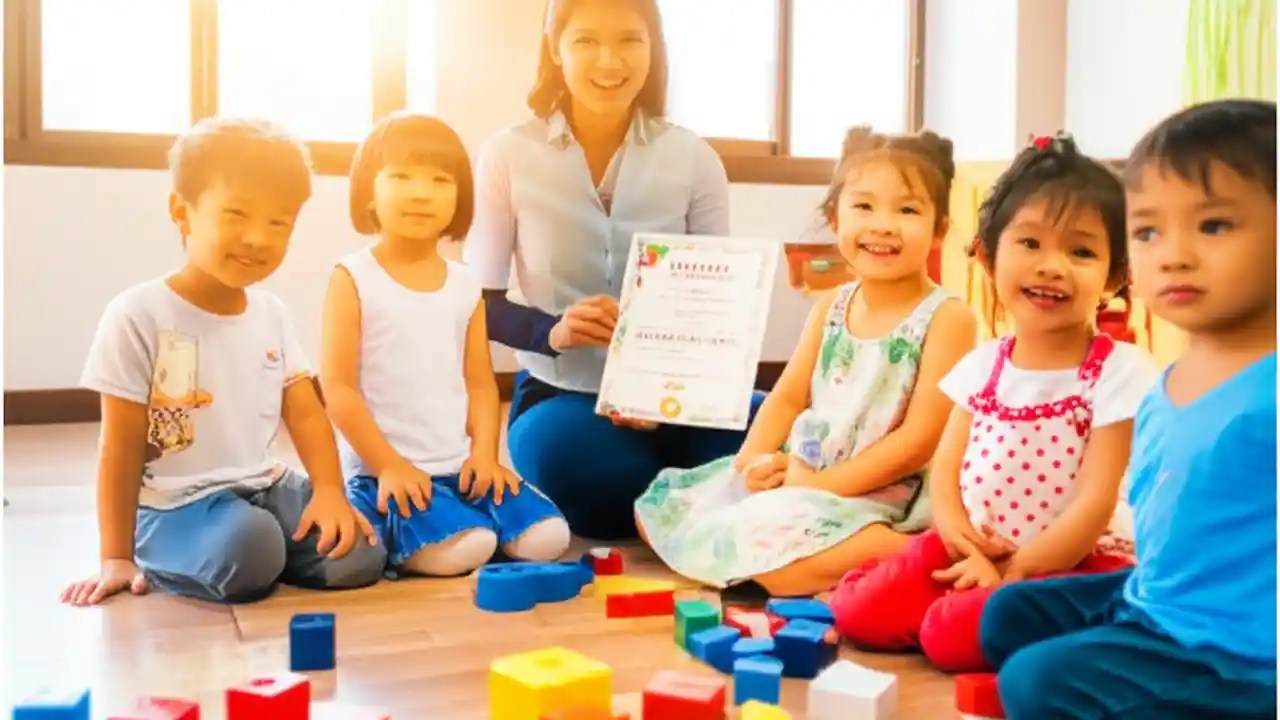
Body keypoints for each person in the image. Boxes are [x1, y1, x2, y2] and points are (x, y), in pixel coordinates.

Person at [980, 100, 1277, 718]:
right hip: (1155, 600)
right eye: (1147, 231)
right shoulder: (1169, 379)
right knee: (1007, 615)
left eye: (1214, 226)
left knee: (1034, 683)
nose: (1173, 254)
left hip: (1236, 654)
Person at [830, 132, 1159, 672]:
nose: (1051, 266)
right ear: (988, 255)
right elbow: (947, 471)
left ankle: (1067, 620)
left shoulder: (1118, 373)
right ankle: (952, 602)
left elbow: (1093, 505)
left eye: (1080, 251)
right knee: (859, 612)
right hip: (973, 548)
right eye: (1029, 244)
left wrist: (1015, 571)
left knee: (953, 636)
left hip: (1070, 561)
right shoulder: (984, 364)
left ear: (1115, 277)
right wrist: (961, 537)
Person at [635, 126, 977, 597]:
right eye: (864, 206)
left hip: (886, 492)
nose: (882, 224)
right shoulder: (832, 305)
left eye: (907, 209)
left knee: (779, 569)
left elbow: (918, 441)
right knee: (663, 509)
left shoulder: (948, 317)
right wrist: (751, 463)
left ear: (939, 227)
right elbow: (788, 396)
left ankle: (908, 549)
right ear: (835, 218)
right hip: (806, 470)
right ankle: (824, 549)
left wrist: (822, 487)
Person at [462, 0, 758, 540]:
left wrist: (671, 397)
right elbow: (476, 303)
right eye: (585, 41)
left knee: (779, 435)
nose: (609, 60)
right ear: (555, 49)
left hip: (682, 399)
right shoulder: (508, 154)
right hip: (562, 395)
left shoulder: (693, 158)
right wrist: (550, 331)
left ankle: (692, 487)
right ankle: (701, 497)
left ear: (653, 49)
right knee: (602, 480)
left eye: (629, 40)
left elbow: (723, 308)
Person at [61, 118, 386, 606]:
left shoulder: (271, 312)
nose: (257, 238)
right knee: (251, 547)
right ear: (182, 211)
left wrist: (329, 491)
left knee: (359, 553)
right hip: (176, 503)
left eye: (279, 223)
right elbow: (120, 446)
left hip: (264, 488)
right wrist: (116, 557)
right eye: (236, 214)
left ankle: (266, 549)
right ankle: (172, 555)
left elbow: (304, 412)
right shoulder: (137, 314)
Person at [323, 113, 570, 578]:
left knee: (550, 537)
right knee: (470, 548)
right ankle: (400, 523)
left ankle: (463, 514)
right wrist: (389, 465)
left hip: (461, 467)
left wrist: (484, 457)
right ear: (368, 190)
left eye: (439, 180)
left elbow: (479, 383)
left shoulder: (465, 284)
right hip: (387, 472)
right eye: (400, 176)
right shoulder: (353, 277)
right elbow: (338, 390)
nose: (420, 192)